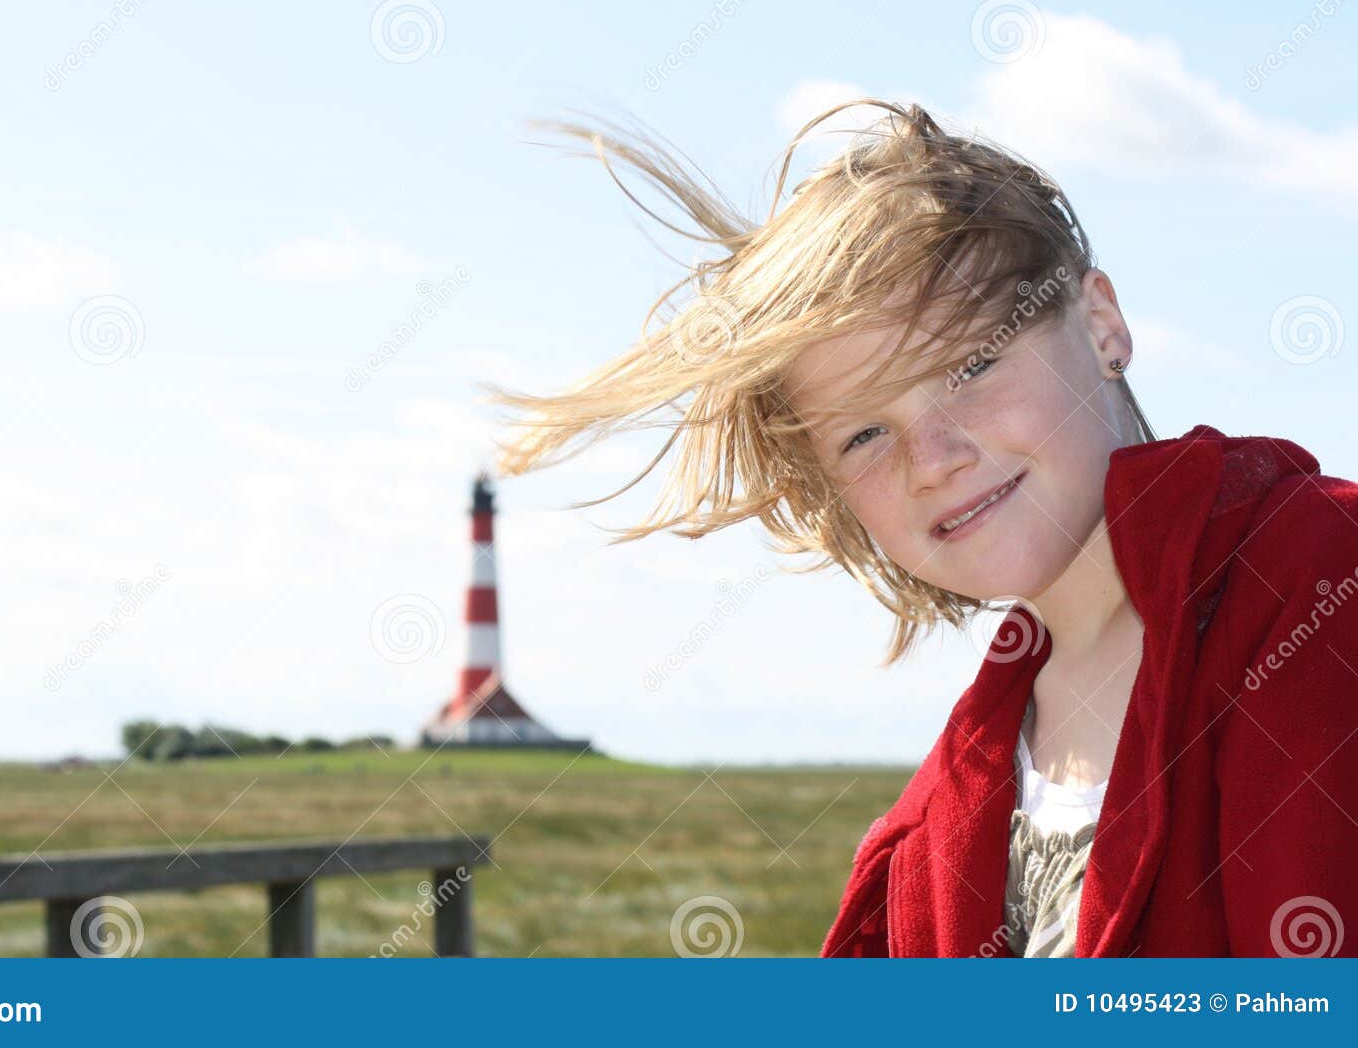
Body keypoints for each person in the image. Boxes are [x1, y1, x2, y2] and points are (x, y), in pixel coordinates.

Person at [484, 98, 1358, 956]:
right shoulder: (932, 830)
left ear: (1100, 324)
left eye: (970, 365)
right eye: (865, 433)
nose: (931, 456)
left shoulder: (1321, 581)